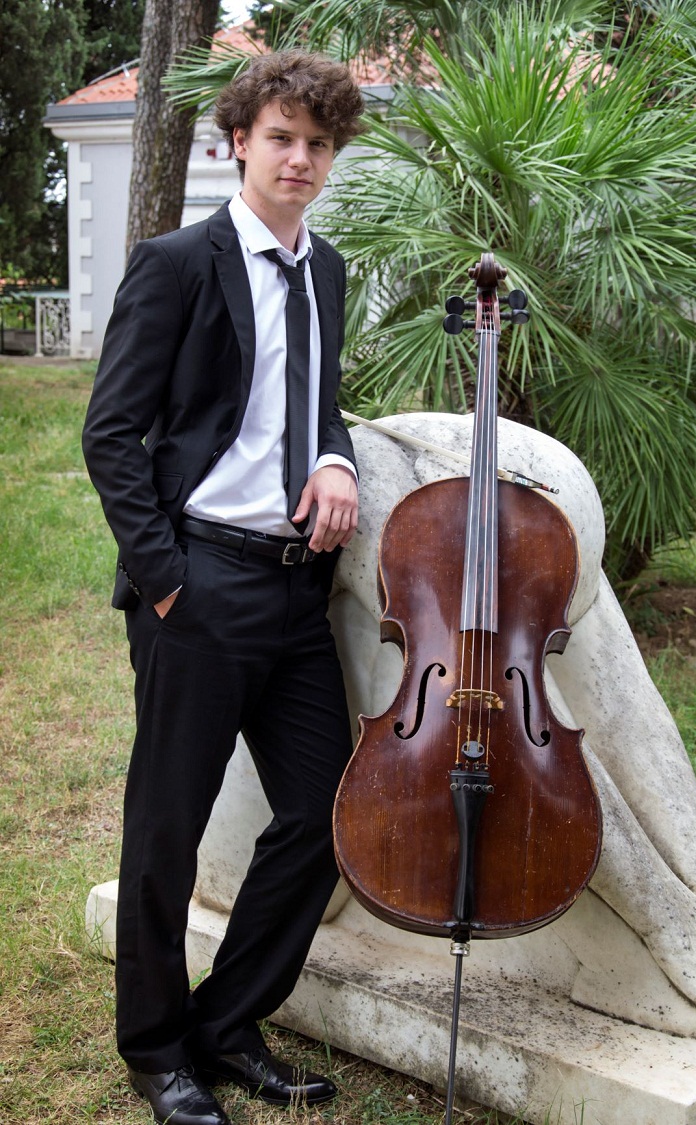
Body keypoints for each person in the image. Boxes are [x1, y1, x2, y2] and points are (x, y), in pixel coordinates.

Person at [82, 50, 366, 1125]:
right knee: (168, 827)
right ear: (238, 141)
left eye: (318, 144)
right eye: (281, 138)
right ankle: (157, 1051)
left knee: (325, 811)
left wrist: (335, 456)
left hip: (298, 596)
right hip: (198, 583)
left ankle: (228, 1022)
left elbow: (310, 401)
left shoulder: (326, 269)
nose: (299, 159)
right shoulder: (179, 263)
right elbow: (111, 433)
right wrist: (164, 583)